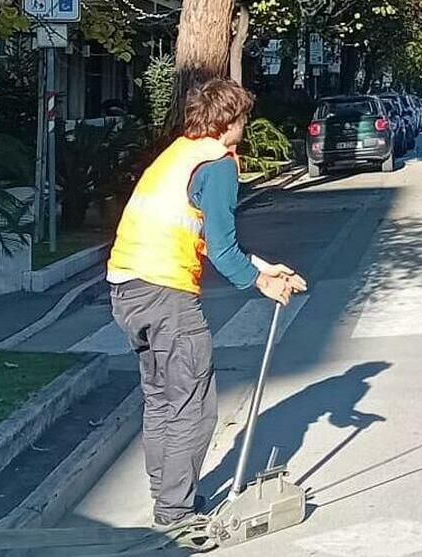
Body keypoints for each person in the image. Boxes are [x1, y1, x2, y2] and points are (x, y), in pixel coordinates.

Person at [106, 78, 307, 530]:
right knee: (193, 406)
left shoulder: (181, 153)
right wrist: (260, 283)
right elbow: (220, 245)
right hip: (166, 293)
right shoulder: (217, 165)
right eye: (243, 120)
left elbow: (199, 234)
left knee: (162, 400)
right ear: (228, 122)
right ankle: (176, 514)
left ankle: (166, 495)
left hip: (127, 288)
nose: (245, 127)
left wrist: (261, 265)